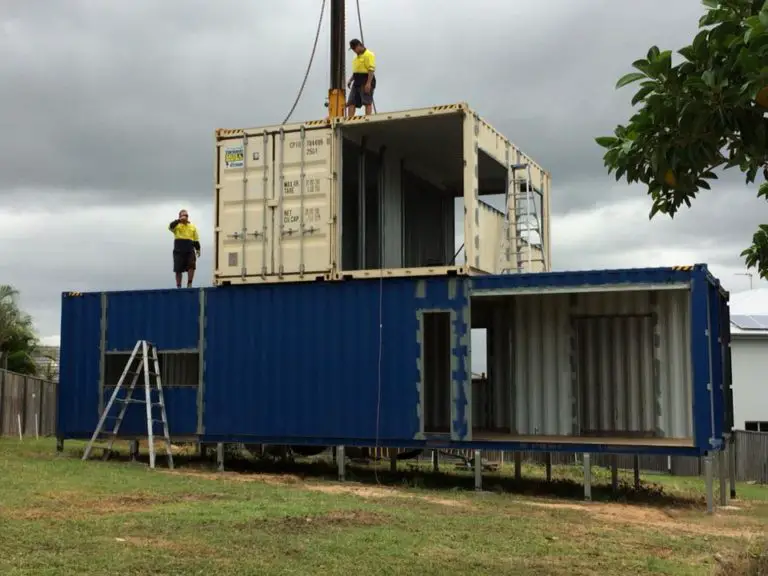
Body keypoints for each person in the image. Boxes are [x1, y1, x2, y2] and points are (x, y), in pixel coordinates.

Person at [168, 209, 200, 288]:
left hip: (189, 248)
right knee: (178, 269)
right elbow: (170, 227)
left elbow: (196, 239)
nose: (185, 217)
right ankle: (179, 286)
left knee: (192, 266)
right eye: (183, 215)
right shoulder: (176, 226)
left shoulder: (192, 226)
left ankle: (189, 283)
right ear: (179, 216)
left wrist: (198, 249)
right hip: (179, 248)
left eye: (186, 215)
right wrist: (179, 220)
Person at [346, 38, 376, 117]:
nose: (354, 51)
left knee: (367, 101)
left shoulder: (369, 54)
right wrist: (350, 80)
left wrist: (368, 83)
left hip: (366, 79)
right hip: (357, 80)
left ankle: (368, 118)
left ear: (359, 45)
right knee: (351, 102)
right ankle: (350, 120)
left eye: (354, 48)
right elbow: (357, 70)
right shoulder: (356, 57)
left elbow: (371, 69)